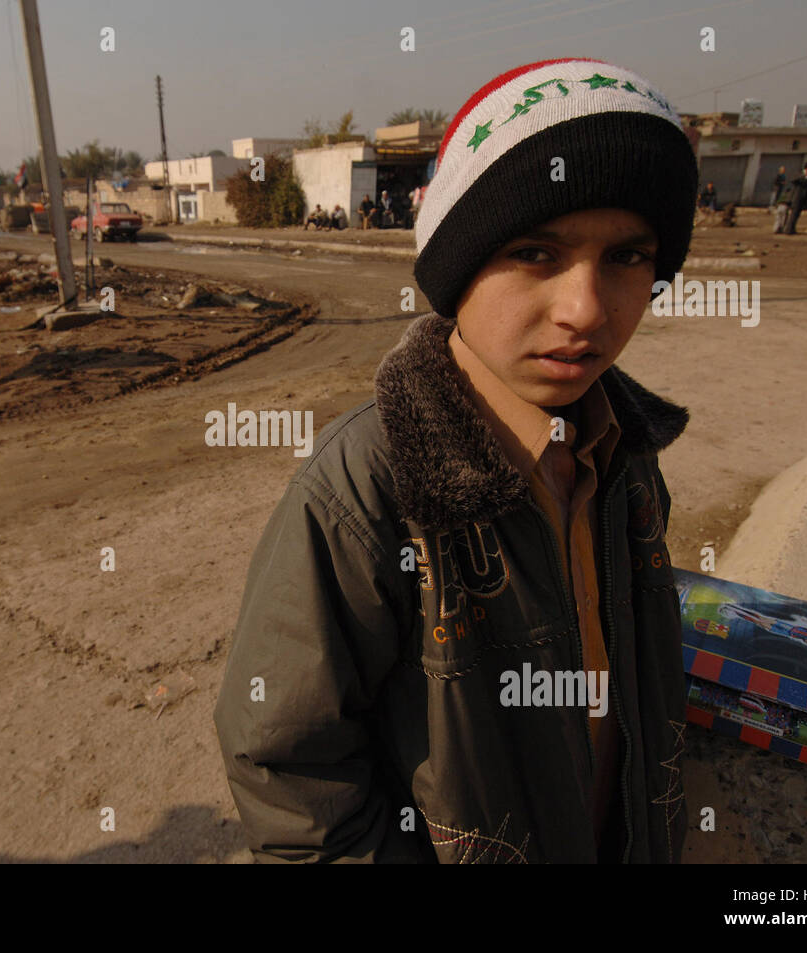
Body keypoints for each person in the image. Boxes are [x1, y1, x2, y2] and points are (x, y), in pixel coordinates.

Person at [215, 57, 696, 863]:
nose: (585, 309)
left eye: (628, 257)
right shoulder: (365, 489)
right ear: (457, 266)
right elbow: (288, 769)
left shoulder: (626, 453)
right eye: (538, 253)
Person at [784, 164, 807, 235]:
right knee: (793, 214)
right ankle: (788, 229)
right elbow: (793, 180)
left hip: (804, 199)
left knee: (797, 214)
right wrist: (804, 176)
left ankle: (792, 228)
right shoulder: (799, 175)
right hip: (796, 198)